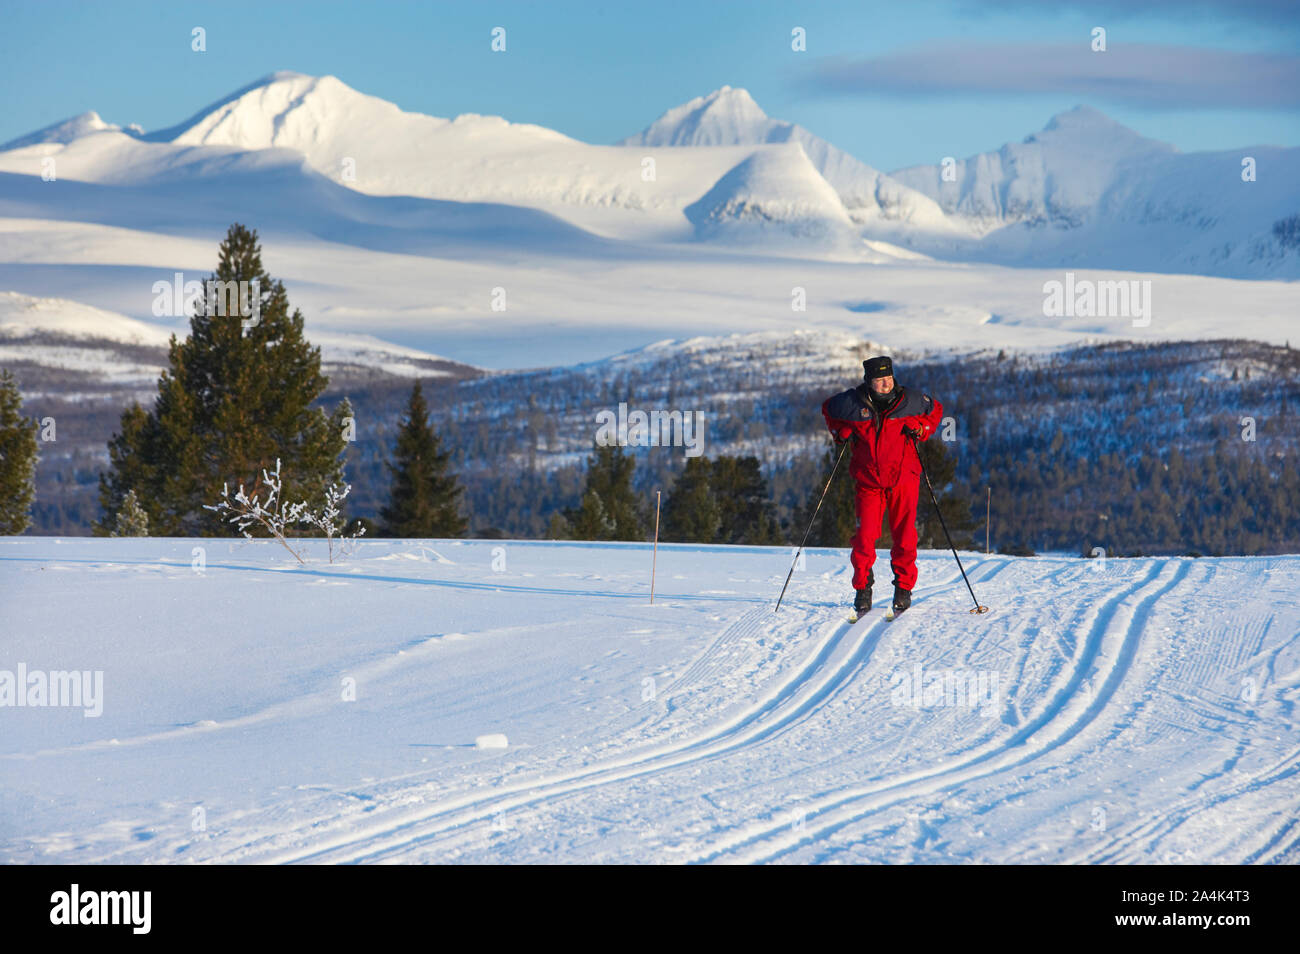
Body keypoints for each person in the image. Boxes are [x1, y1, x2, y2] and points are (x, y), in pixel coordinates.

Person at [821, 356, 944, 617]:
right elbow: (828, 409)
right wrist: (839, 432)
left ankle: (903, 588)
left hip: (904, 478)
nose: (886, 384)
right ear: (869, 381)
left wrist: (922, 428)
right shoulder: (852, 403)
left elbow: (936, 412)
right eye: (879, 380)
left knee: (905, 535)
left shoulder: (910, 400)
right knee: (864, 537)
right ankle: (862, 587)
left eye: (888, 378)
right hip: (868, 482)